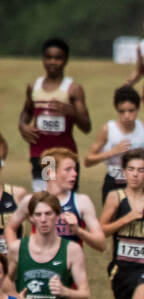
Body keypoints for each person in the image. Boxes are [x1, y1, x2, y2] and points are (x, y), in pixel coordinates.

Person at [4, 192, 91, 299]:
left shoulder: (72, 250)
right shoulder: (17, 249)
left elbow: (85, 296)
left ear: (58, 216)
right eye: (38, 214)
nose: (43, 220)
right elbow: (6, 282)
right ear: (31, 218)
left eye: (48, 214)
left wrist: (65, 291)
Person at [18, 38, 91, 192]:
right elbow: (27, 111)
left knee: (65, 201)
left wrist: (73, 113)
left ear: (65, 60)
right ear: (43, 59)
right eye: (49, 57)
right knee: (46, 199)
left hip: (66, 155)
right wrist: (22, 125)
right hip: (43, 155)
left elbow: (86, 126)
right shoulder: (34, 87)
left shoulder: (72, 89)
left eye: (58, 58)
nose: (53, 62)